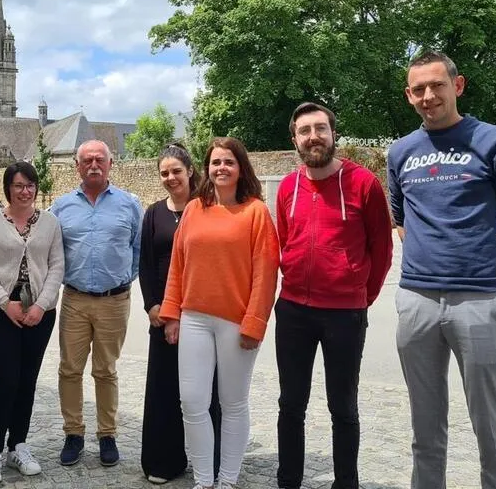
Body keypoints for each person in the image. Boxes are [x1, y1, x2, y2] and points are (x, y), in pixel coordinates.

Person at [386, 51, 496, 489]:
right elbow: (402, 221)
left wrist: (491, 282)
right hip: (416, 301)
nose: (428, 96)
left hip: (478, 301)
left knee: (491, 427)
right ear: (408, 95)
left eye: (437, 85)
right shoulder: (401, 152)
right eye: (419, 89)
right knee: (424, 427)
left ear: (458, 85)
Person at [274, 101, 394, 489]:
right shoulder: (288, 187)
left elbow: (382, 249)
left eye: (320, 129)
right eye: (305, 131)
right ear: (294, 139)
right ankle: (288, 481)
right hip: (293, 310)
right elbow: (285, 240)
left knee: (342, 406)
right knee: (291, 404)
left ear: (333, 134)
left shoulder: (363, 184)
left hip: (344, 313)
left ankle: (346, 483)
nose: (314, 137)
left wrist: (360, 295)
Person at [160, 137, 280, 489]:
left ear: (241, 167)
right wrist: (171, 313)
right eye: (215, 162)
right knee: (192, 402)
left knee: (232, 403)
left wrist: (255, 323)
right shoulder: (194, 209)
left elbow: (266, 273)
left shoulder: (256, 212)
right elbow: (177, 265)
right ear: (207, 168)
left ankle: (227, 480)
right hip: (194, 318)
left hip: (236, 322)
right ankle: (203, 480)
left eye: (228, 162)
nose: (221, 168)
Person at [50, 139, 143, 467]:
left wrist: (122, 279)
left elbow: (138, 249)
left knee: (105, 371)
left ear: (110, 164)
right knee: (69, 369)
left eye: (99, 160)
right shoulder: (61, 207)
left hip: (114, 301)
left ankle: (107, 435)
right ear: (77, 166)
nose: (93, 165)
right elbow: (51, 251)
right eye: (87, 160)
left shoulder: (130, 205)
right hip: (74, 299)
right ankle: (73, 433)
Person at [0, 161, 65, 484]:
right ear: (8, 188)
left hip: (40, 311)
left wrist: (40, 305)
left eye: (30, 185)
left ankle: (18, 445)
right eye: (18, 185)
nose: (25, 191)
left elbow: (57, 266)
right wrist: (4, 303)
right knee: (6, 380)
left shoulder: (50, 222)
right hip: (0, 311)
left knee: (27, 380)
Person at [139, 143, 221, 485]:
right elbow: (145, 262)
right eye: (164, 173)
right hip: (163, 314)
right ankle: (164, 460)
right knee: (164, 388)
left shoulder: (208, 208)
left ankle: (210, 461)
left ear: (190, 171)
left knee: (206, 390)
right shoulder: (154, 213)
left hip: (202, 311)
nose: (170, 177)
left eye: (176, 171)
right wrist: (152, 305)